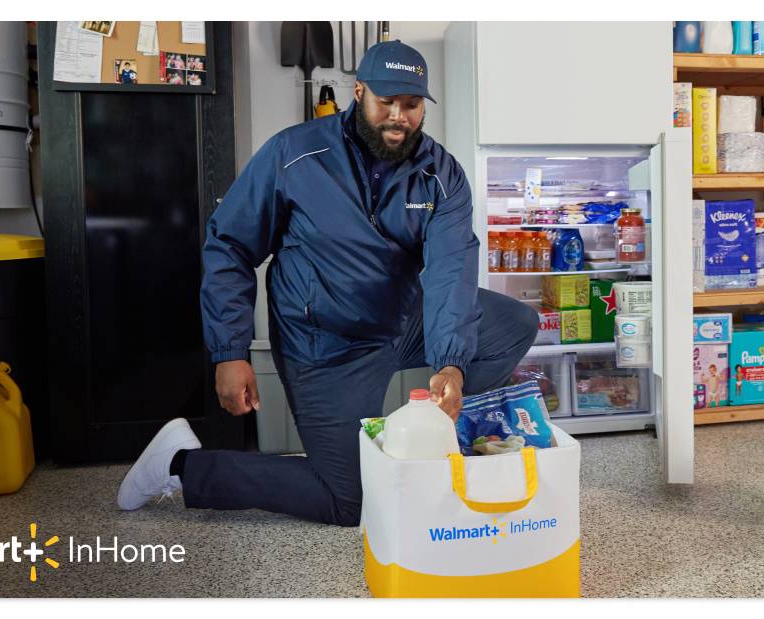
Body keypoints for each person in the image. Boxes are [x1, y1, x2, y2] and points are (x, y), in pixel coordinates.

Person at [117, 41, 538, 526]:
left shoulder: (440, 174)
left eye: (412, 104)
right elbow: (230, 245)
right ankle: (179, 464)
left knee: (514, 323)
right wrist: (229, 352)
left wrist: (451, 365)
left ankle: (444, 437)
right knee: (349, 503)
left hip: (401, 322)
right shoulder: (295, 155)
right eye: (387, 102)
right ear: (358, 92)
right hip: (326, 345)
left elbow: (451, 269)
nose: (398, 117)